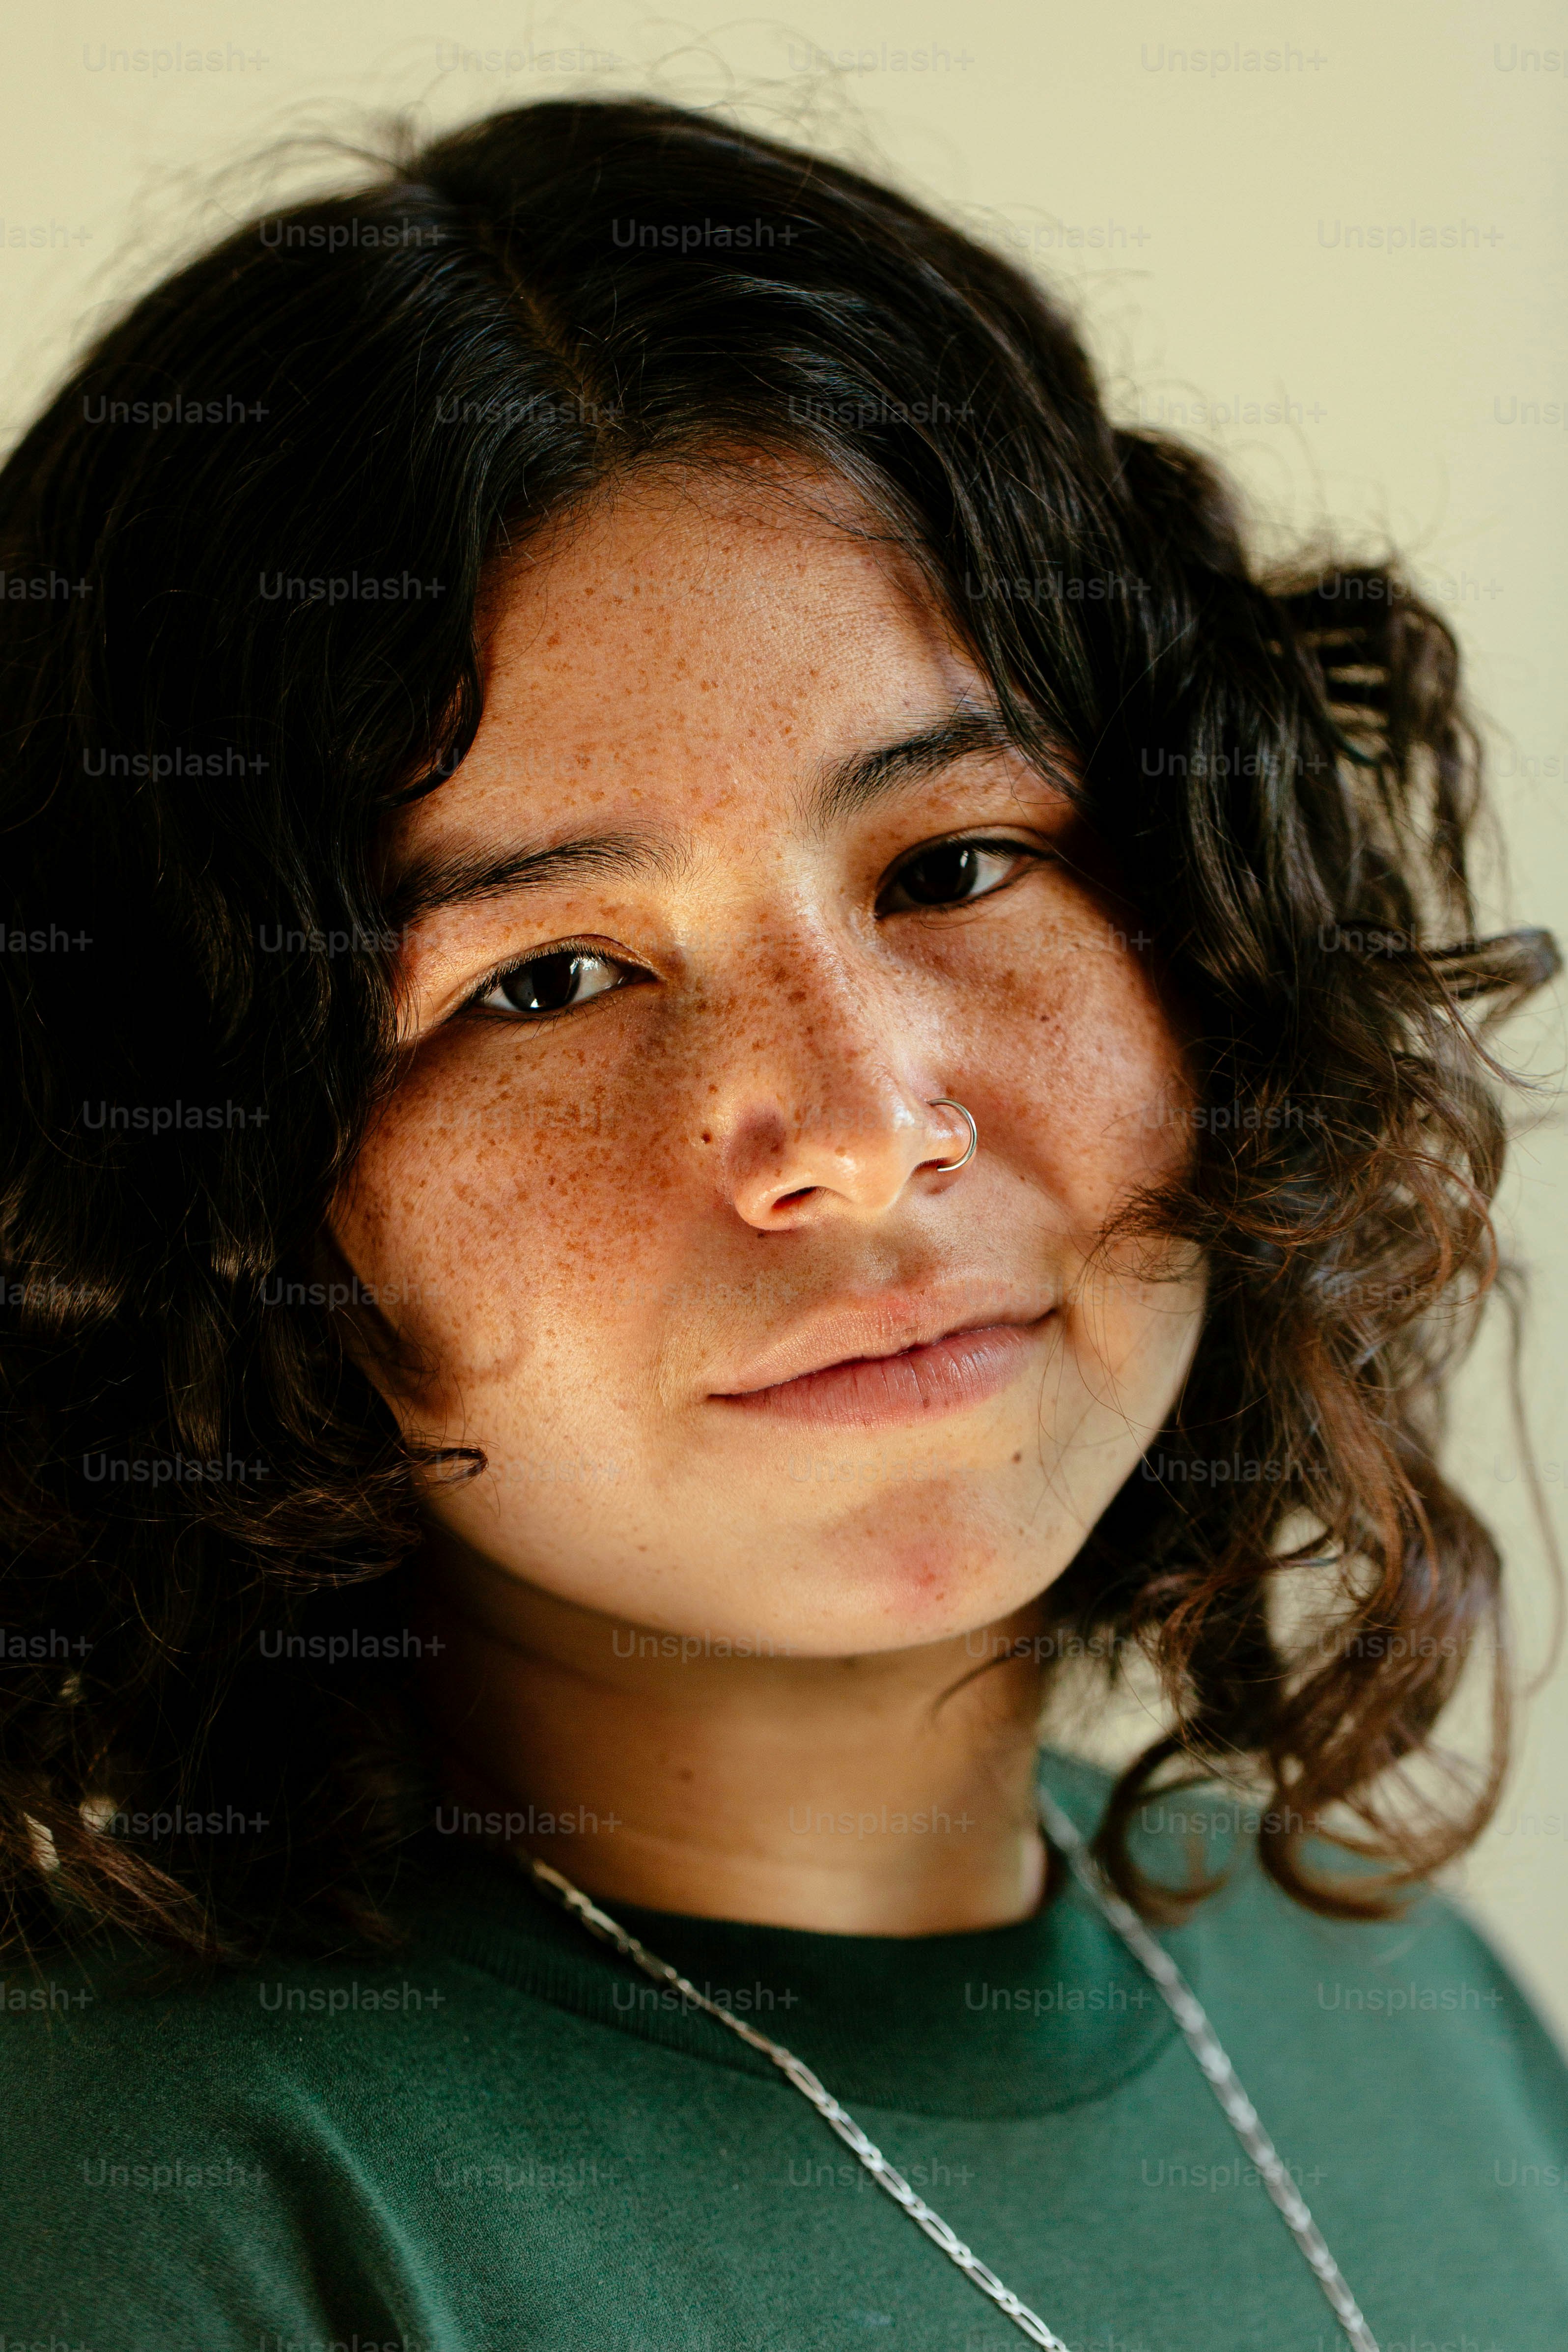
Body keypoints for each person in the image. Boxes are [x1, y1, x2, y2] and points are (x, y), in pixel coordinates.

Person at [0, 97, 1563, 2352]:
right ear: (199, 1185)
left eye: (956, 863)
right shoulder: (144, 2206)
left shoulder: (1389, 2000)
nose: (859, 1126)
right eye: (544, 982)